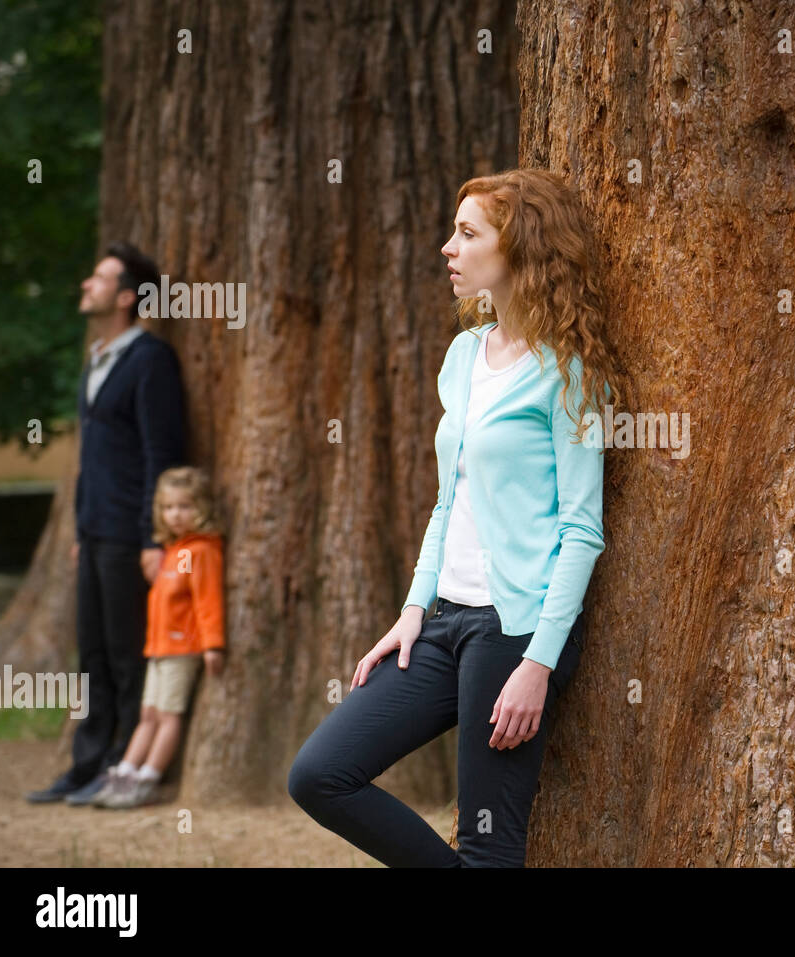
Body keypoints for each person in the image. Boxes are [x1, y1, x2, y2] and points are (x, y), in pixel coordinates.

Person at [289, 168, 623, 866]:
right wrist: (413, 609)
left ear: (520, 248)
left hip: (515, 630)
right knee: (319, 774)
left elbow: (582, 529)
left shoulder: (571, 376)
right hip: (444, 621)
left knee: (486, 845)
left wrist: (539, 662)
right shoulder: (464, 355)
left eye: (467, 233)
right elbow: (450, 498)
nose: (448, 247)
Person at [26, 242, 188, 805]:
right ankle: (85, 764)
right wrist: (78, 529)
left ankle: (123, 761)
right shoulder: (98, 357)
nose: (84, 286)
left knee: (125, 654)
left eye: (97, 279)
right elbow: (91, 460)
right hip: (94, 533)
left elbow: (160, 452)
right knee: (91, 653)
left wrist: (151, 539)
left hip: (128, 537)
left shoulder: (149, 359)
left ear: (125, 297)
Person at [89, 467, 225, 809]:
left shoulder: (201, 552)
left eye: (184, 506)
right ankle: (125, 772)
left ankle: (148, 777)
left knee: (168, 715)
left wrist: (212, 645)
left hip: (183, 648)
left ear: (202, 508)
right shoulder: (172, 552)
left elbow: (208, 601)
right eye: (168, 507)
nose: (175, 515)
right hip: (159, 649)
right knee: (147, 714)